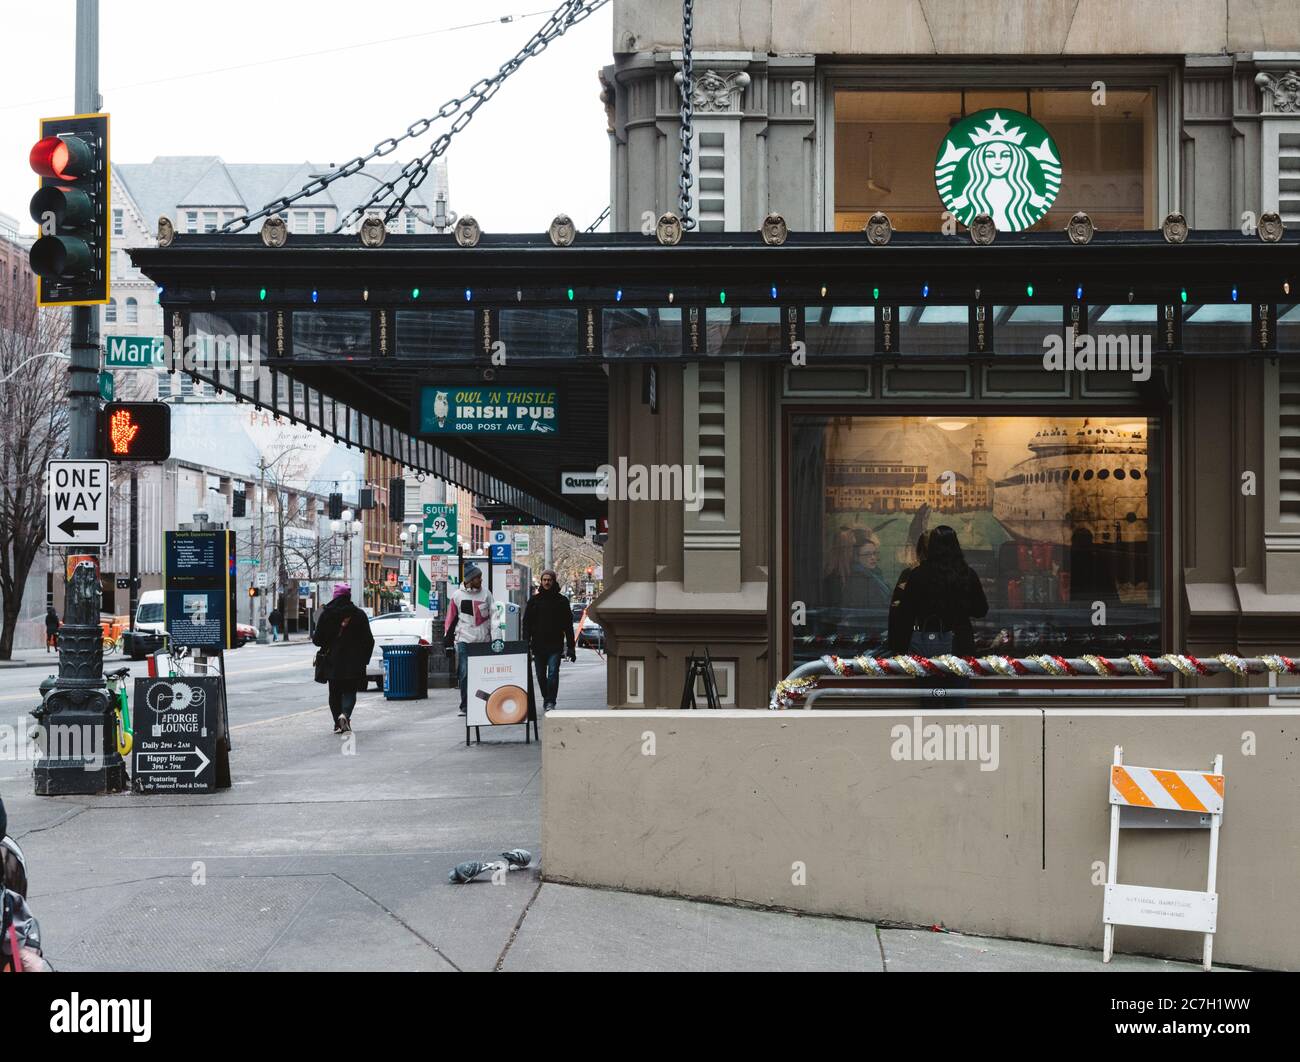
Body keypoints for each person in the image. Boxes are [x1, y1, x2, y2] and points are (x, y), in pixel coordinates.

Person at [887, 525, 988, 707]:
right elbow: (981, 610)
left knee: (930, 702)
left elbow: (905, 614)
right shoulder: (967, 574)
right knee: (957, 702)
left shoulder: (917, 575)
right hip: (960, 646)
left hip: (927, 646)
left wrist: (898, 649)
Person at [311, 583, 374, 733]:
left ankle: (337, 723)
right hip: (354, 662)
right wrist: (364, 660)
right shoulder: (359, 614)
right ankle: (345, 715)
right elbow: (369, 641)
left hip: (333, 661)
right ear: (349, 596)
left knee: (334, 693)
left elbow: (317, 640)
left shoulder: (326, 614)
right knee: (350, 691)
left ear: (335, 596)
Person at [443, 566, 495, 717]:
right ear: (470, 580)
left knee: (483, 673)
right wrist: (448, 641)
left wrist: (496, 637)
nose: (481, 579)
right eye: (478, 577)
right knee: (465, 672)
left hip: (483, 640)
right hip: (464, 640)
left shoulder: (486, 594)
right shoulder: (457, 596)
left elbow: (494, 617)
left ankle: (483, 702)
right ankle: (465, 705)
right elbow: (451, 620)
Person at [522, 569, 576, 711]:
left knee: (553, 673)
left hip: (555, 645)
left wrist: (571, 647)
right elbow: (526, 624)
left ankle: (550, 701)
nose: (547, 582)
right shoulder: (534, 601)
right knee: (540, 675)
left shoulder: (562, 601)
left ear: (553, 581)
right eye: (544, 580)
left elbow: (568, 626)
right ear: (541, 581)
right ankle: (547, 697)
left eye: (549, 580)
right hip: (538, 645)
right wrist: (525, 643)